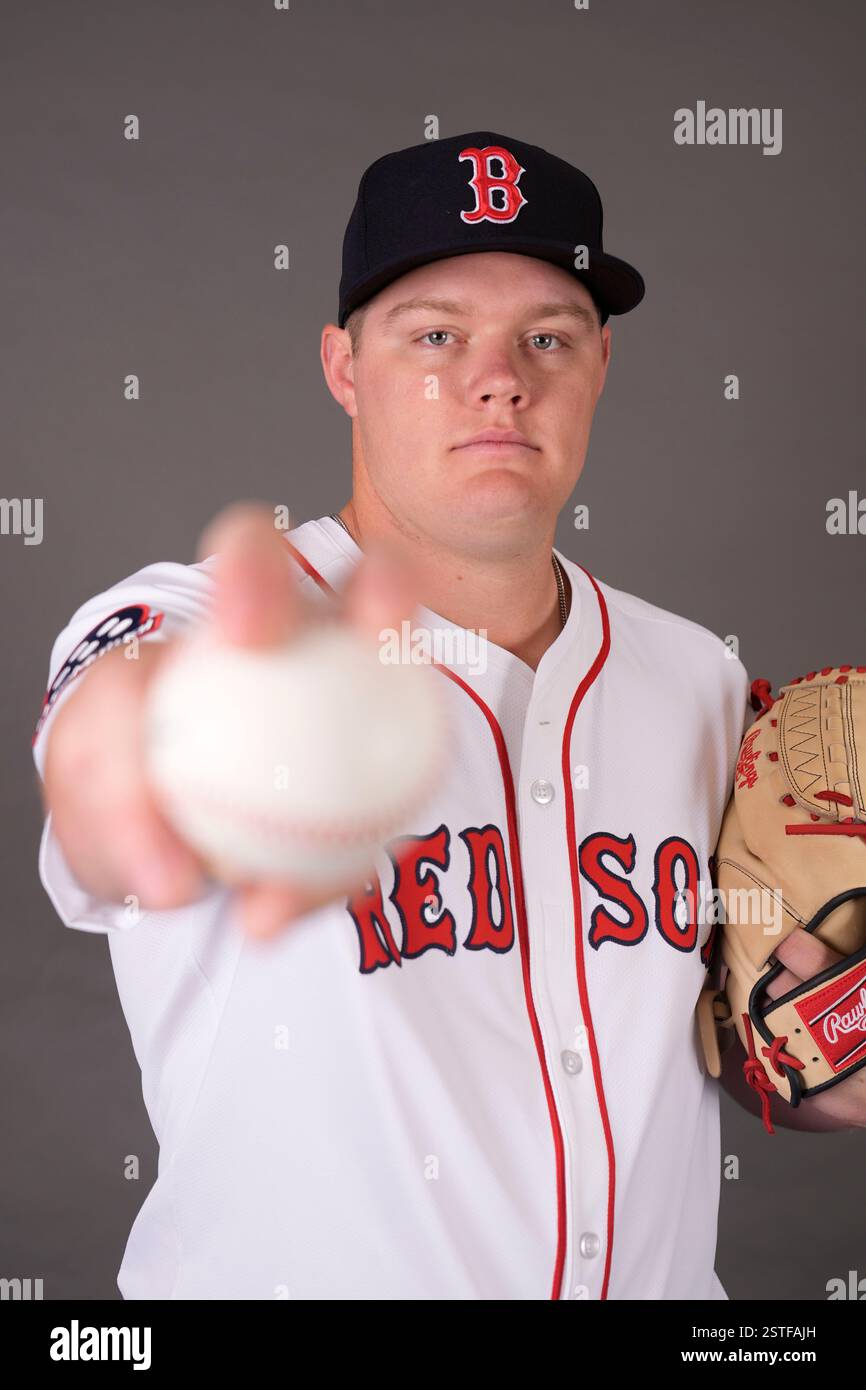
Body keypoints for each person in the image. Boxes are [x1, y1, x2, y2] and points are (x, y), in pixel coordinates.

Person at [33, 130, 862, 1303]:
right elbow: (109, 757)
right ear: (340, 365)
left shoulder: (699, 681)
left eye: (546, 336)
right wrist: (155, 752)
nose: (498, 376)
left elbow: (746, 1057)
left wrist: (832, 1040)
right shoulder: (207, 620)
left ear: (599, 366)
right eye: (434, 334)